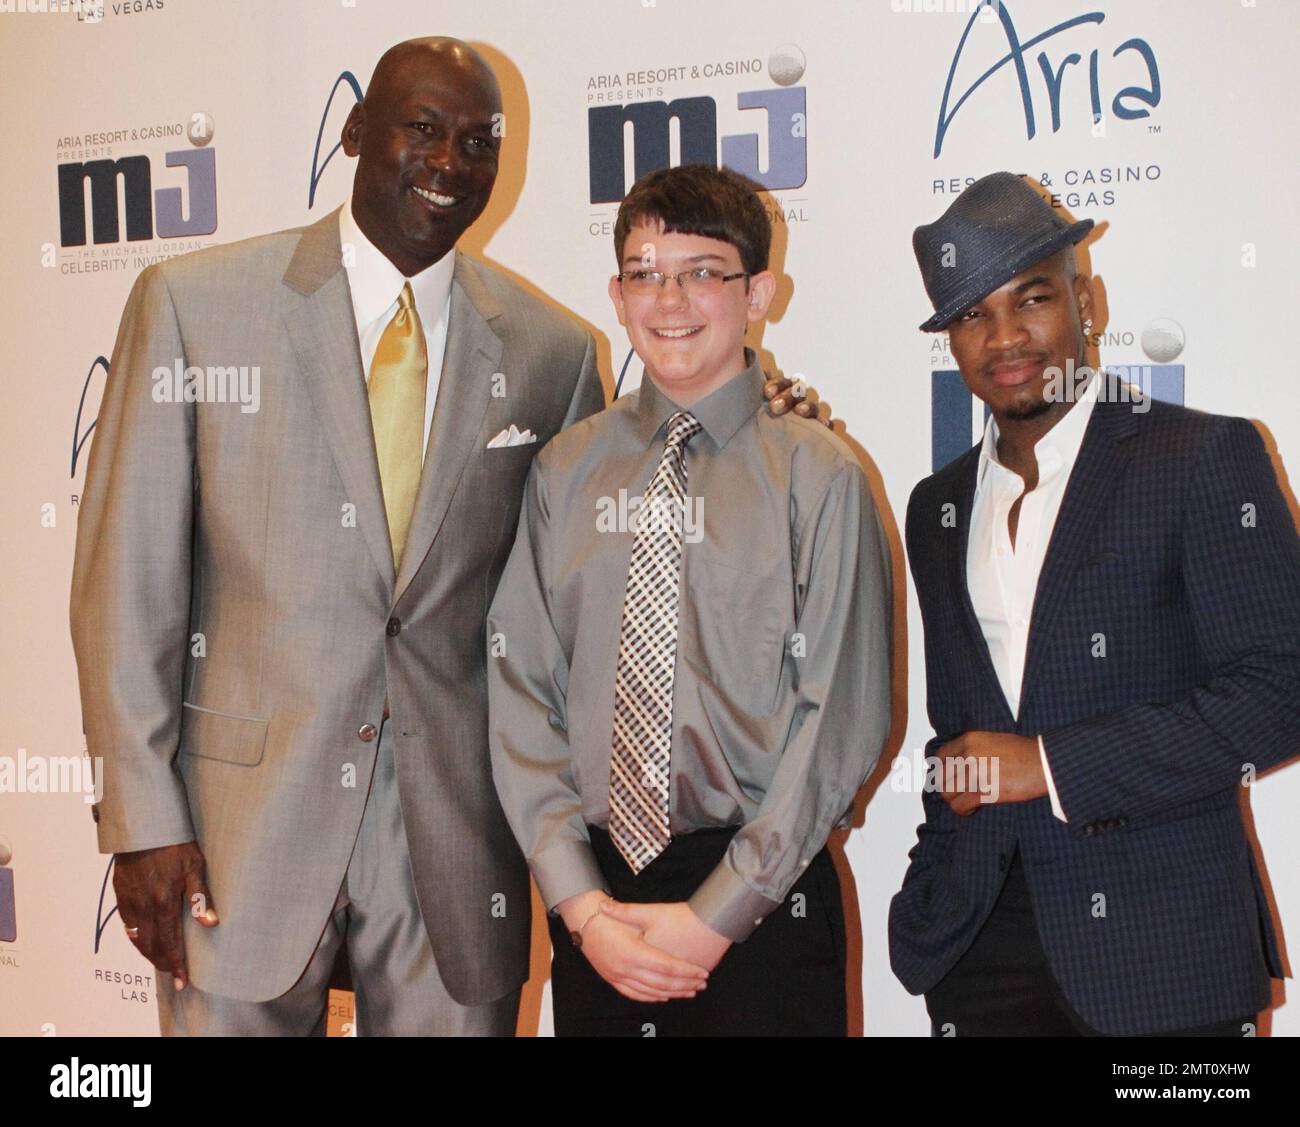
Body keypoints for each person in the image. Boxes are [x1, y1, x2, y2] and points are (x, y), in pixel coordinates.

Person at [69, 37, 608, 1036]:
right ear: (357, 130)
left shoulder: (555, 353)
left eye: (478, 142)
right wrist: (142, 820)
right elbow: (126, 586)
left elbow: (565, 607)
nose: (450, 163)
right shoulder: (196, 306)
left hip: (457, 845)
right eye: (423, 129)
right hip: (237, 840)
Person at [890, 171, 1300, 1036]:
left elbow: (1279, 693)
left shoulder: (1201, 459)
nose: (1005, 338)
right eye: (972, 315)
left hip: (1167, 957)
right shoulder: (937, 506)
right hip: (979, 954)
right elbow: (961, 727)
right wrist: (932, 889)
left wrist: (1049, 764)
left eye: (1030, 299)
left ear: (1089, 300)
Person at [486, 164, 893, 1036]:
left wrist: (720, 912)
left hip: (763, 904)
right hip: (601, 913)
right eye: (645, 272)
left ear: (759, 293)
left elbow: (840, 720)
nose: (670, 298)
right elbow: (521, 692)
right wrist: (581, 907)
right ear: (617, 293)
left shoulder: (819, 475)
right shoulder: (564, 471)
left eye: (704, 271)